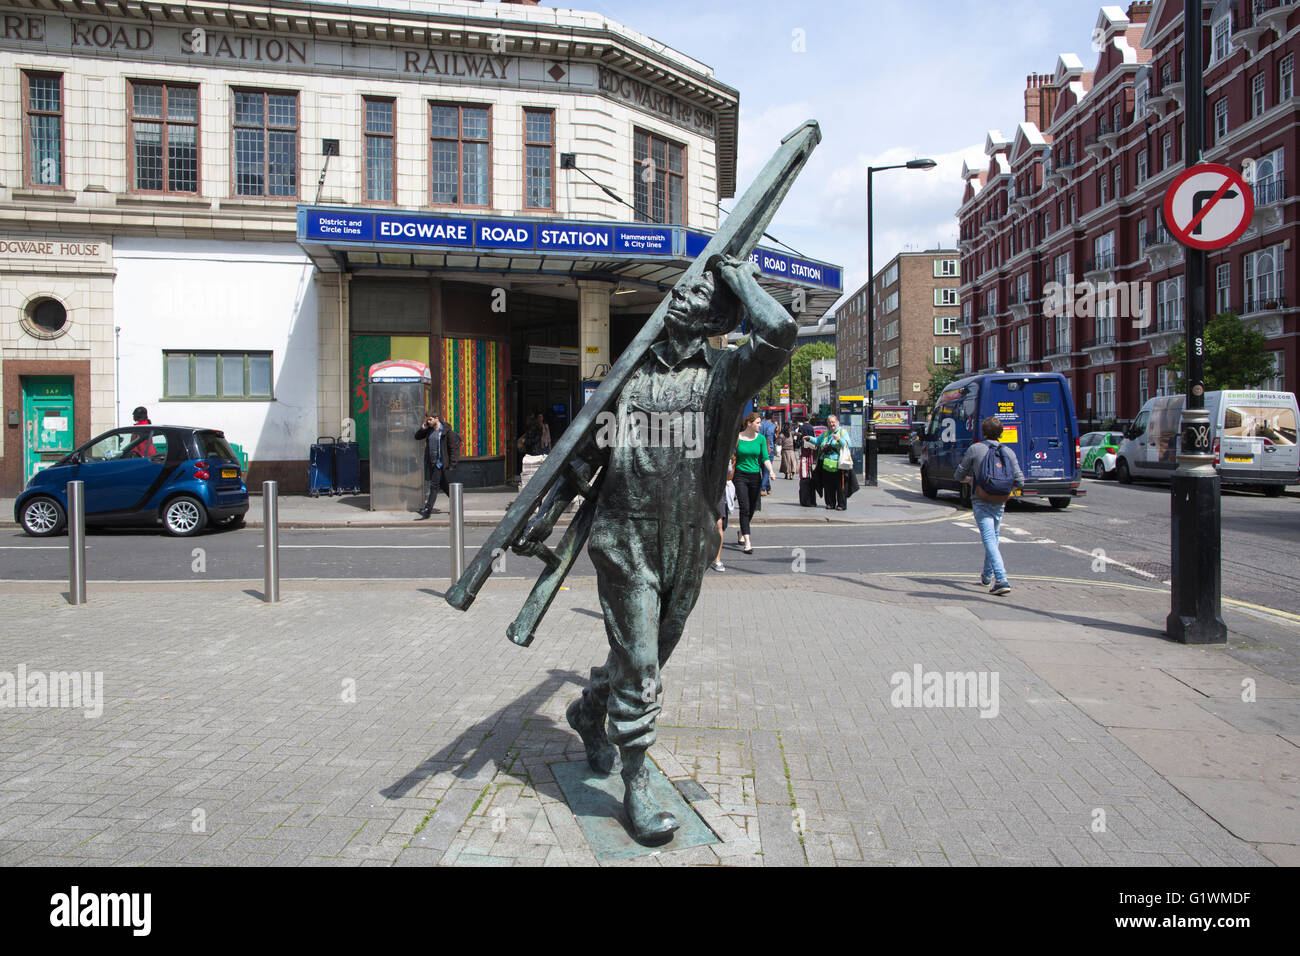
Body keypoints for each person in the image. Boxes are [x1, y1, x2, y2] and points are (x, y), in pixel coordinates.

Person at [514, 256, 796, 844]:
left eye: (697, 291)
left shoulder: (722, 374)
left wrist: (740, 278)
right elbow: (585, 458)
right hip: (625, 539)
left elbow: (779, 332)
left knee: (649, 657)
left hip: (688, 540)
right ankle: (636, 788)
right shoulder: (629, 376)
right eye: (681, 288)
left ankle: (590, 710)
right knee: (642, 667)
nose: (681, 295)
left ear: (716, 312)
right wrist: (542, 516)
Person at [955, 416, 1025, 596]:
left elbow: (958, 475)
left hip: (981, 499)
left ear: (983, 432)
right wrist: (1007, 493)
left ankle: (1001, 579)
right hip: (1000, 501)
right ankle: (987, 576)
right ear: (1001, 433)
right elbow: (1020, 481)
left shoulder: (975, 449)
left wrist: (970, 479)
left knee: (989, 539)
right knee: (992, 537)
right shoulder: (1008, 451)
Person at [734, 411, 773, 553]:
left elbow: (765, 458)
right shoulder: (737, 438)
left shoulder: (761, 439)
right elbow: (732, 456)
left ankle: (741, 531)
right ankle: (747, 542)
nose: (760, 425)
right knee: (744, 507)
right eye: (757, 423)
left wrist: (771, 471)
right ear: (749, 424)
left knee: (752, 508)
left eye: (760, 422)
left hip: (755, 476)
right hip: (740, 475)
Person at [413, 409, 460, 518]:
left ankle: (428, 510)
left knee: (434, 486)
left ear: (437, 418)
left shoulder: (446, 432)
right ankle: (457, 502)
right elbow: (417, 437)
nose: (428, 421)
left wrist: (453, 463)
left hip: (440, 463)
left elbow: (453, 449)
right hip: (431, 463)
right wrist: (423, 428)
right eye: (427, 420)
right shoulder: (429, 430)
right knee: (443, 485)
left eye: (430, 419)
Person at [816, 414, 851, 510]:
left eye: (833, 422)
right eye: (830, 422)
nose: (831, 424)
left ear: (837, 422)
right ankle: (830, 504)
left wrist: (839, 439)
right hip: (826, 464)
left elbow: (848, 444)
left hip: (839, 465)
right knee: (828, 486)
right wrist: (808, 438)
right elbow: (817, 441)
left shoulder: (842, 432)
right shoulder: (826, 433)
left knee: (840, 486)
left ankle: (841, 505)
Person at [713, 453, 737, 572]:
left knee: (719, 525)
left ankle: (717, 559)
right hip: (700, 490)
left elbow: (728, 472)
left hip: (718, 491)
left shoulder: (724, 450)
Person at [758, 412, 777, 495]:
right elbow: (771, 438)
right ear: (772, 417)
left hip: (760, 448)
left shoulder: (760, 424)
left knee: (763, 468)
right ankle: (762, 489)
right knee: (767, 471)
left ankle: (768, 488)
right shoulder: (773, 426)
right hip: (769, 449)